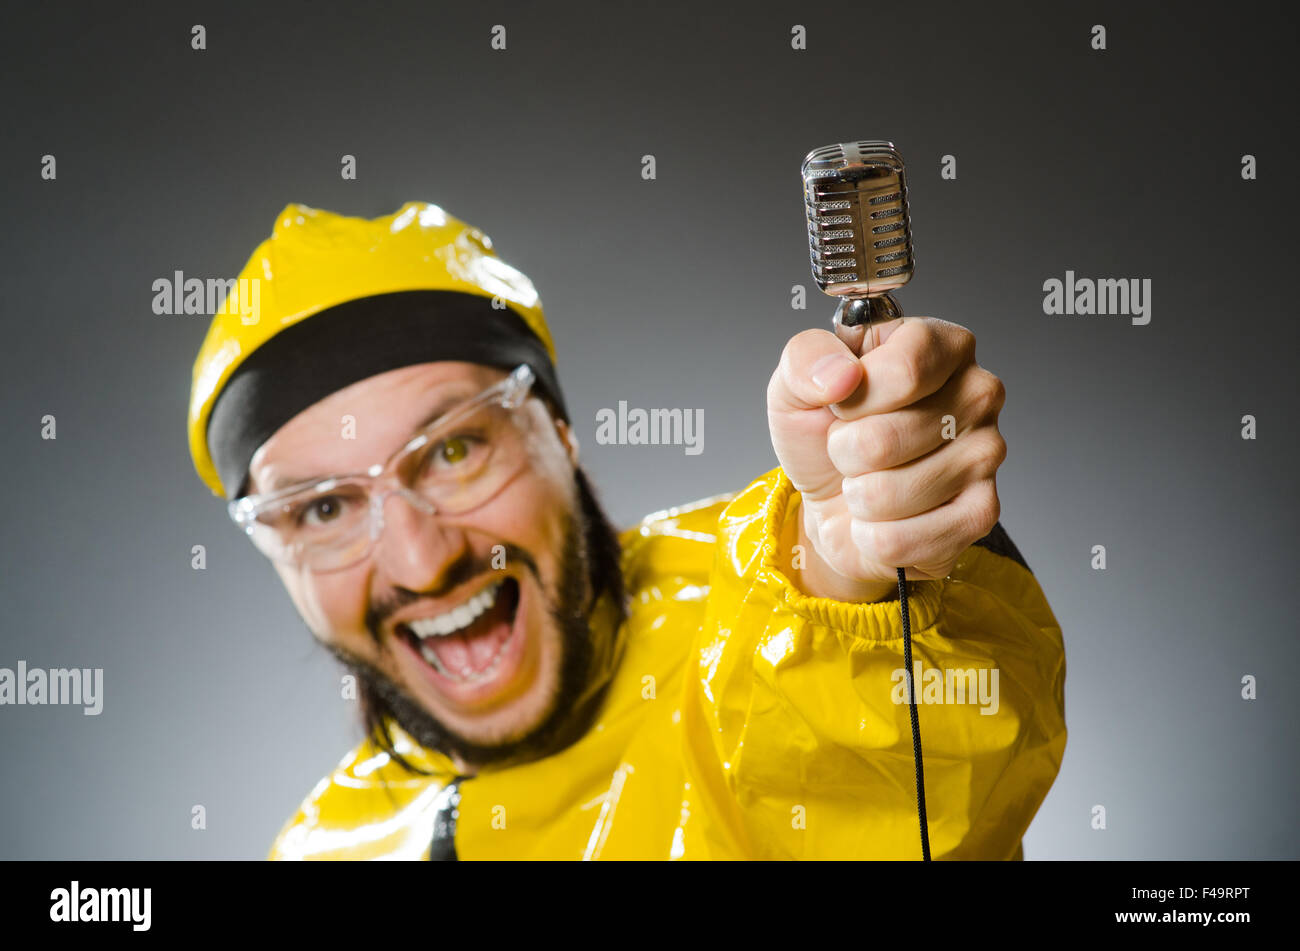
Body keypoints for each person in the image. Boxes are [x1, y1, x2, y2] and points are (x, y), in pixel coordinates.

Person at [187, 201, 1066, 860]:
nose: (422, 560)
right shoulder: (328, 847)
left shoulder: (766, 590)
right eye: (325, 508)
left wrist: (858, 572)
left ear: (558, 434)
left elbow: (899, 773)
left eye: (454, 447)